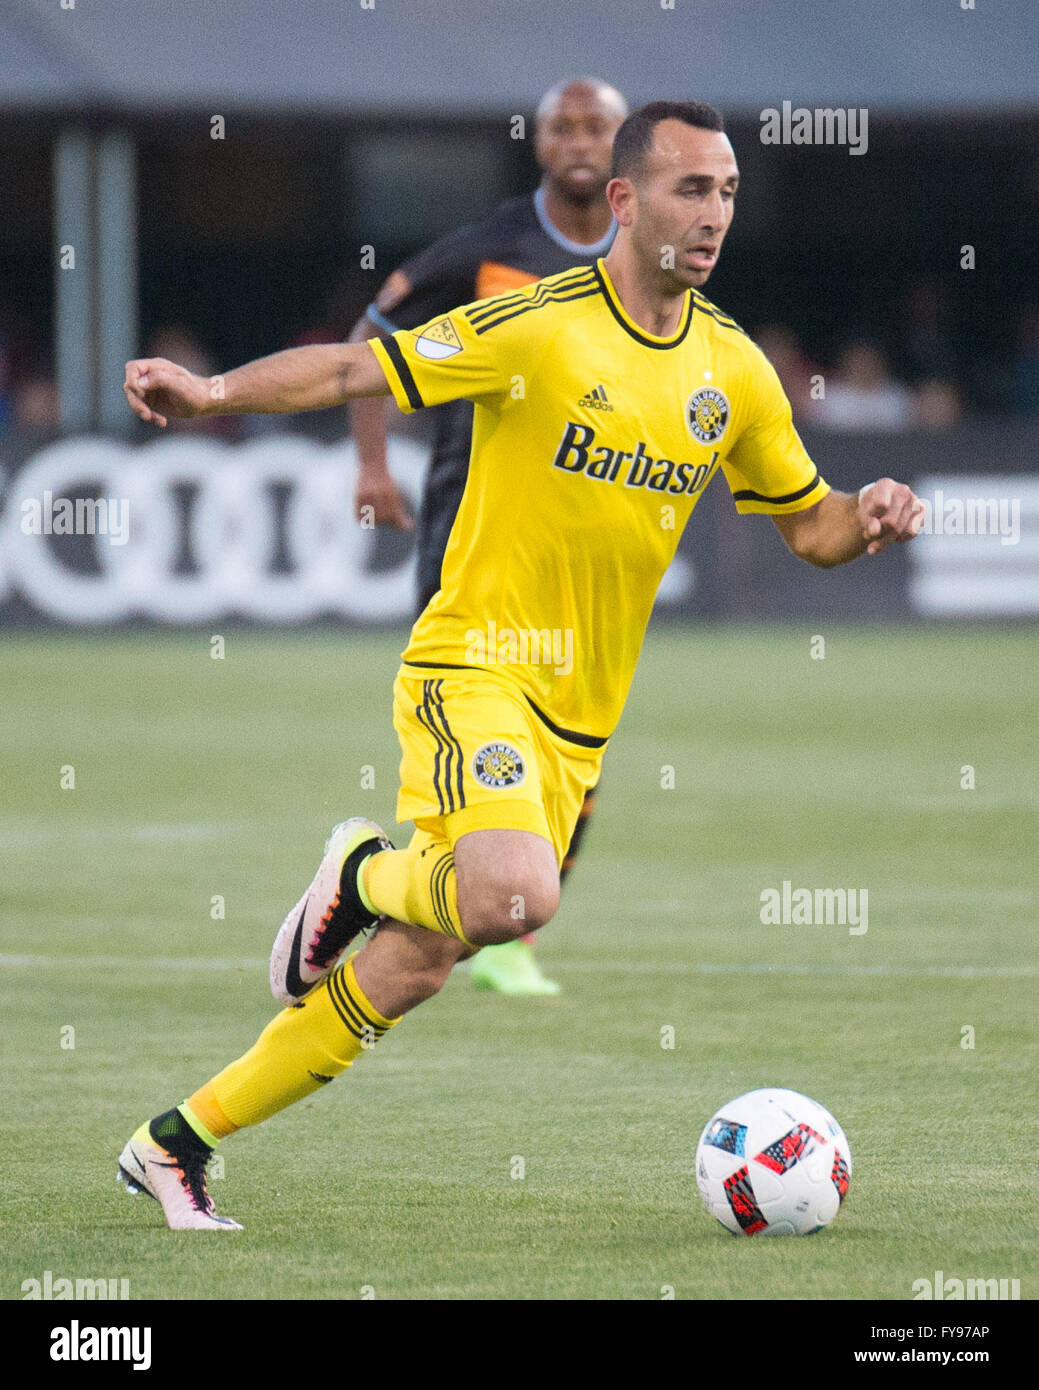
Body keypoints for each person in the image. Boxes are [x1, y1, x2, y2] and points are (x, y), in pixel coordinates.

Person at [120, 100, 924, 1230]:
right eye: (692, 190)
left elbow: (811, 527)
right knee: (514, 895)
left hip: (576, 723)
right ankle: (358, 873)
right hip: (472, 668)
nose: (714, 217)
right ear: (628, 200)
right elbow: (357, 371)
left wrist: (869, 511)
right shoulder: (535, 324)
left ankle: (175, 1142)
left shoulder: (733, 370)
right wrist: (210, 394)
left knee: (419, 961)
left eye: (729, 194)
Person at [350, 76, 627, 995]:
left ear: (625, 145)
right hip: (470, 532)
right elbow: (373, 332)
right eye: (563, 126)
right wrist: (373, 467)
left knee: (576, 748)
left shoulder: (647, 256)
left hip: (580, 551)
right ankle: (436, 903)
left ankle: (504, 930)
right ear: (538, 142)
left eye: (599, 126)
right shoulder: (488, 247)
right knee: (464, 732)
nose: (581, 139)